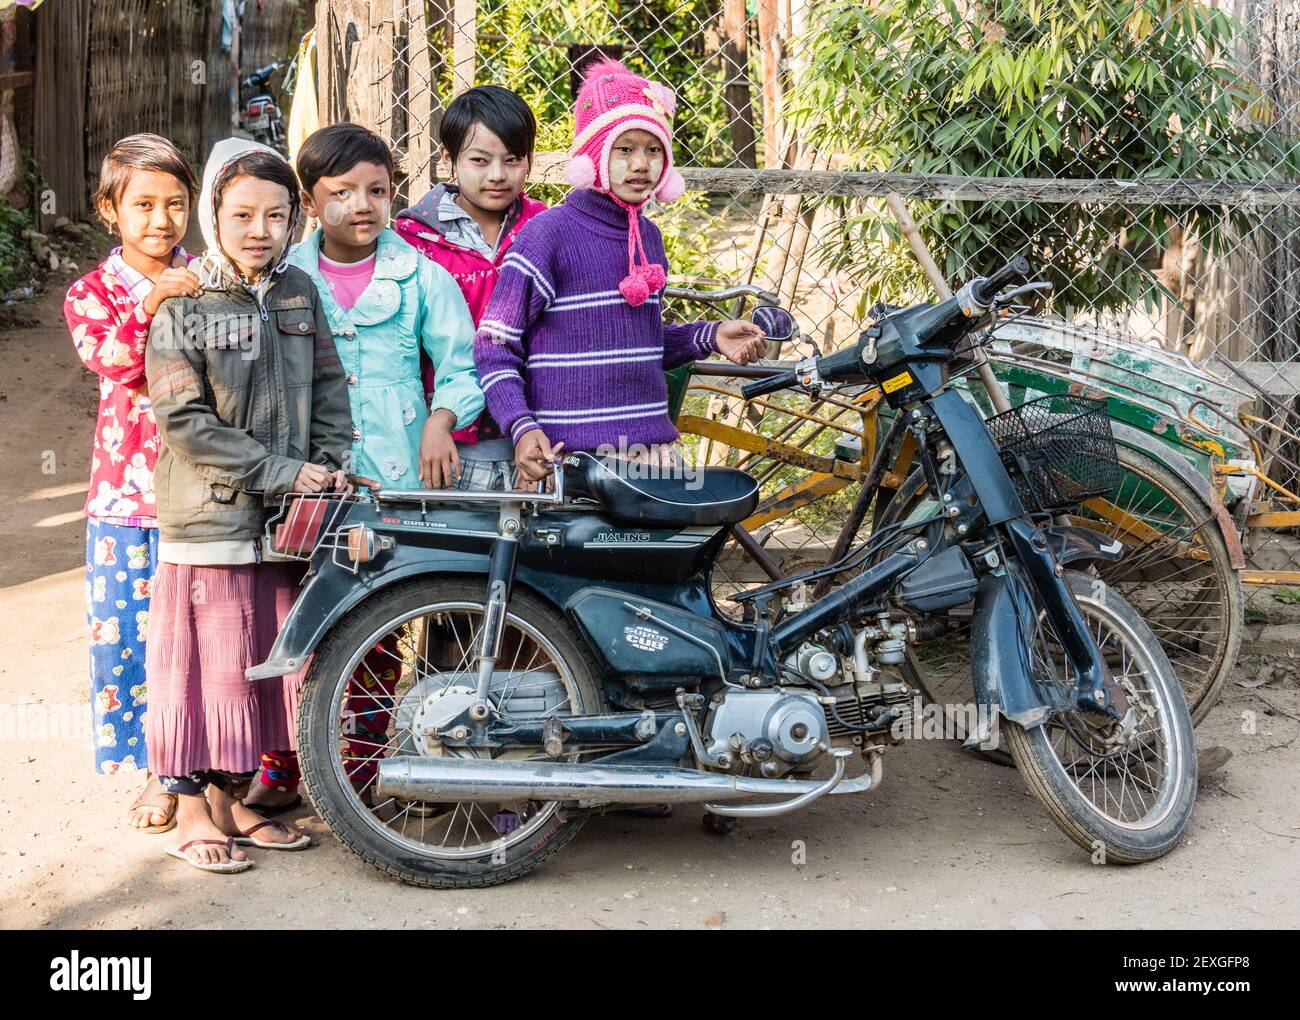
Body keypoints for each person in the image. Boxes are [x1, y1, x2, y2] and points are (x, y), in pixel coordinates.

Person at [144, 138, 352, 873]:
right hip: (211, 517)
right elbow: (184, 422)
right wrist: (281, 471)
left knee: (260, 668)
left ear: (295, 218)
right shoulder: (184, 302)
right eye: (241, 215)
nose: (258, 229)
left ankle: (233, 804)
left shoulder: (300, 291)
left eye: (275, 214)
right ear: (212, 216)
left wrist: (327, 470)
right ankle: (195, 809)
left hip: (285, 524)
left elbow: (330, 392)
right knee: (208, 672)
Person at [287, 122, 483, 795]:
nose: (363, 205)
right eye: (342, 192)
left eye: (377, 190)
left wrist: (440, 421)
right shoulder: (290, 279)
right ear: (310, 203)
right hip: (313, 480)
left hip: (401, 480)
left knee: (396, 623)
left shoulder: (422, 276)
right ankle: (306, 766)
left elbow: (462, 365)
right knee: (315, 621)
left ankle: (393, 765)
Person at [474, 59, 768, 487]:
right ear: (594, 156)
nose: (640, 165)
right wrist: (520, 425)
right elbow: (494, 345)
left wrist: (709, 336)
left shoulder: (649, 238)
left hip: (651, 455)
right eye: (624, 148)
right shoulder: (548, 235)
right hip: (569, 458)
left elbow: (633, 344)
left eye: (653, 150)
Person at [64, 133, 202, 832]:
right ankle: (153, 773)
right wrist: (151, 304)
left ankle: (202, 770)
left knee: (198, 642)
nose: (161, 219)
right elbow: (116, 362)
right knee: (129, 644)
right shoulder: (88, 294)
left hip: (204, 496)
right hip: (124, 503)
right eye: (143, 204)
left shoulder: (208, 276)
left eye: (175, 203)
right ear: (108, 210)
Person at [395, 85, 546, 490]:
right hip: (449, 440)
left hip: (538, 435)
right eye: (479, 160)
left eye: (512, 160)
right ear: (448, 158)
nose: (497, 175)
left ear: (529, 160)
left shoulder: (547, 231)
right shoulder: (414, 242)